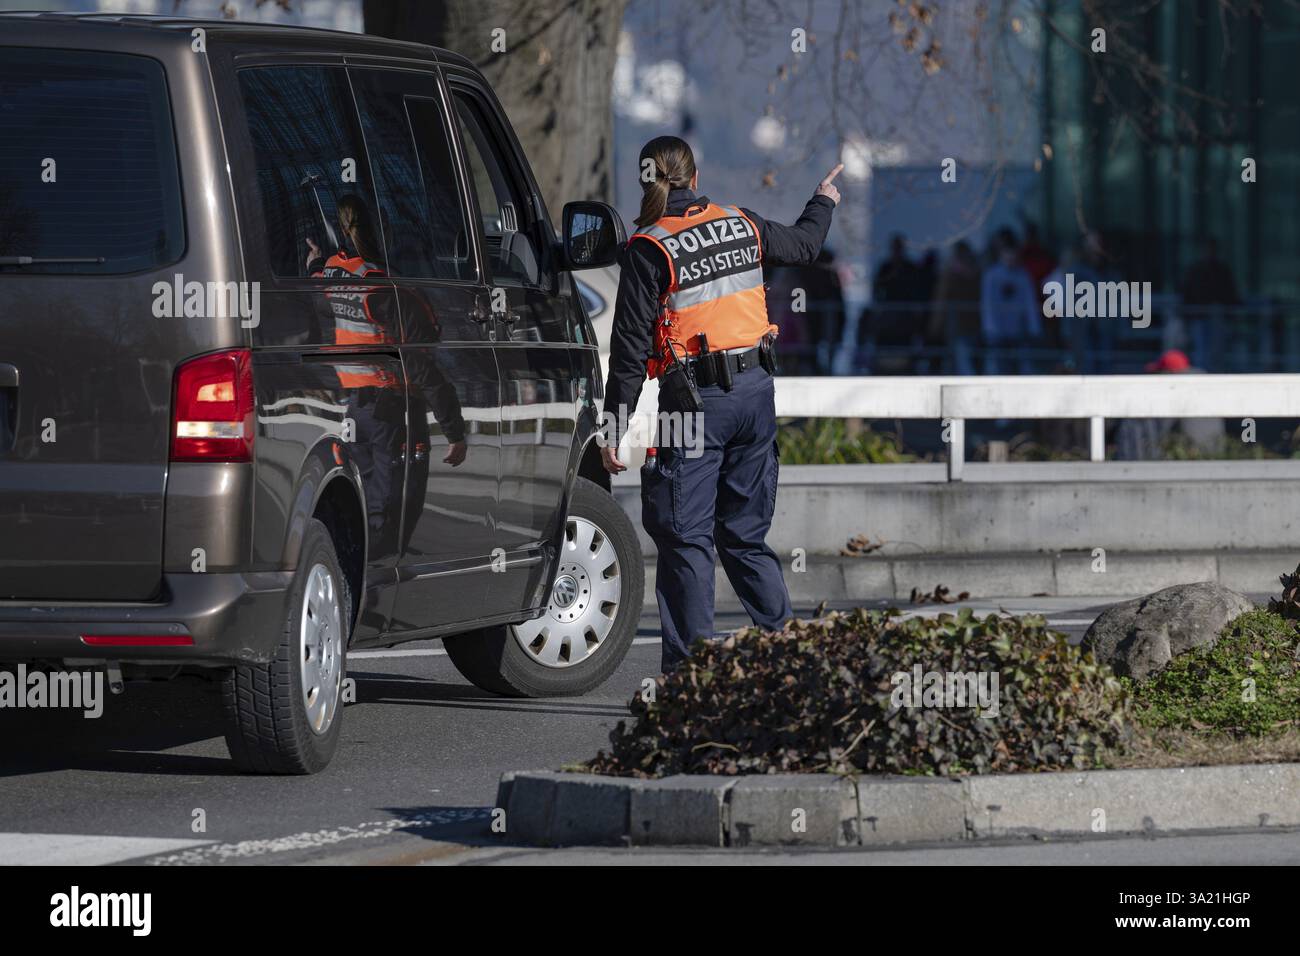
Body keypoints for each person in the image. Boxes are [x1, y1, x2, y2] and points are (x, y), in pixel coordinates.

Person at [600, 135, 840, 673]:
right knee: (744, 535)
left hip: (692, 408)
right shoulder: (741, 221)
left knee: (686, 536)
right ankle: (791, 663)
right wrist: (822, 199)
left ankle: (690, 681)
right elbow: (804, 246)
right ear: (696, 174)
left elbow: (631, 349)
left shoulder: (649, 247)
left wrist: (614, 427)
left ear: (646, 182)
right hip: (756, 393)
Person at [980, 227, 1041, 374]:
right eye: (1007, 253)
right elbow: (987, 304)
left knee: (1022, 367)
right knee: (1000, 368)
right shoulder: (992, 276)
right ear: (1001, 254)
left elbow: (1029, 302)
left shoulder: (1023, 276)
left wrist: (1034, 326)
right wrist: (991, 328)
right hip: (998, 332)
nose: (1011, 257)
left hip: (1018, 331)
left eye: (1013, 253)